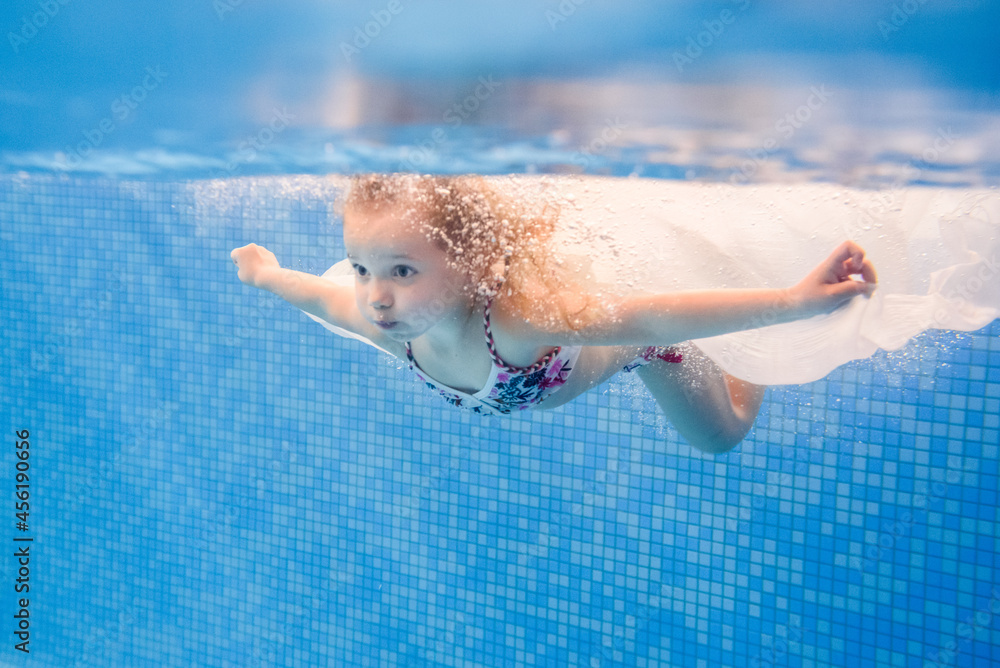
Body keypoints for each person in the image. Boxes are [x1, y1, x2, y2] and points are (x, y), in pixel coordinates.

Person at [231, 174, 878, 454]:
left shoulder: (518, 320)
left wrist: (791, 303)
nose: (375, 294)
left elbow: (647, 320)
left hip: (645, 344)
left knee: (720, 438)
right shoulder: (383, 320)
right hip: (597, 332)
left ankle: (752, 313)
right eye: (362, 266)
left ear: (471, 266)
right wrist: (265, 274)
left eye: (402, 270)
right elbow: (315, 294)